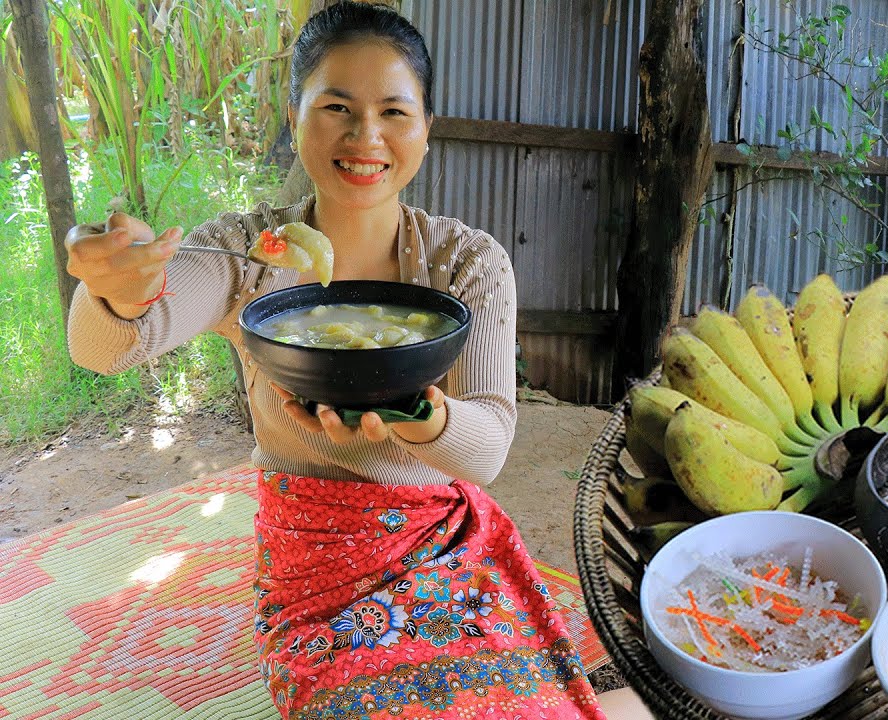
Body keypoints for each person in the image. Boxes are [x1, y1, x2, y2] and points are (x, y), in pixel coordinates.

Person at [63, 4, 651, 718]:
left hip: (440, 545)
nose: (365, 136)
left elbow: (489, 446)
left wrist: (421, 418)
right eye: (336, 107)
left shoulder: (467, 263)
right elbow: (106, 349)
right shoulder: (249, 254)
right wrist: (119, 289)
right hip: (311, 565)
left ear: (427, 128)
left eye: (394, 112)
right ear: (294, 116)